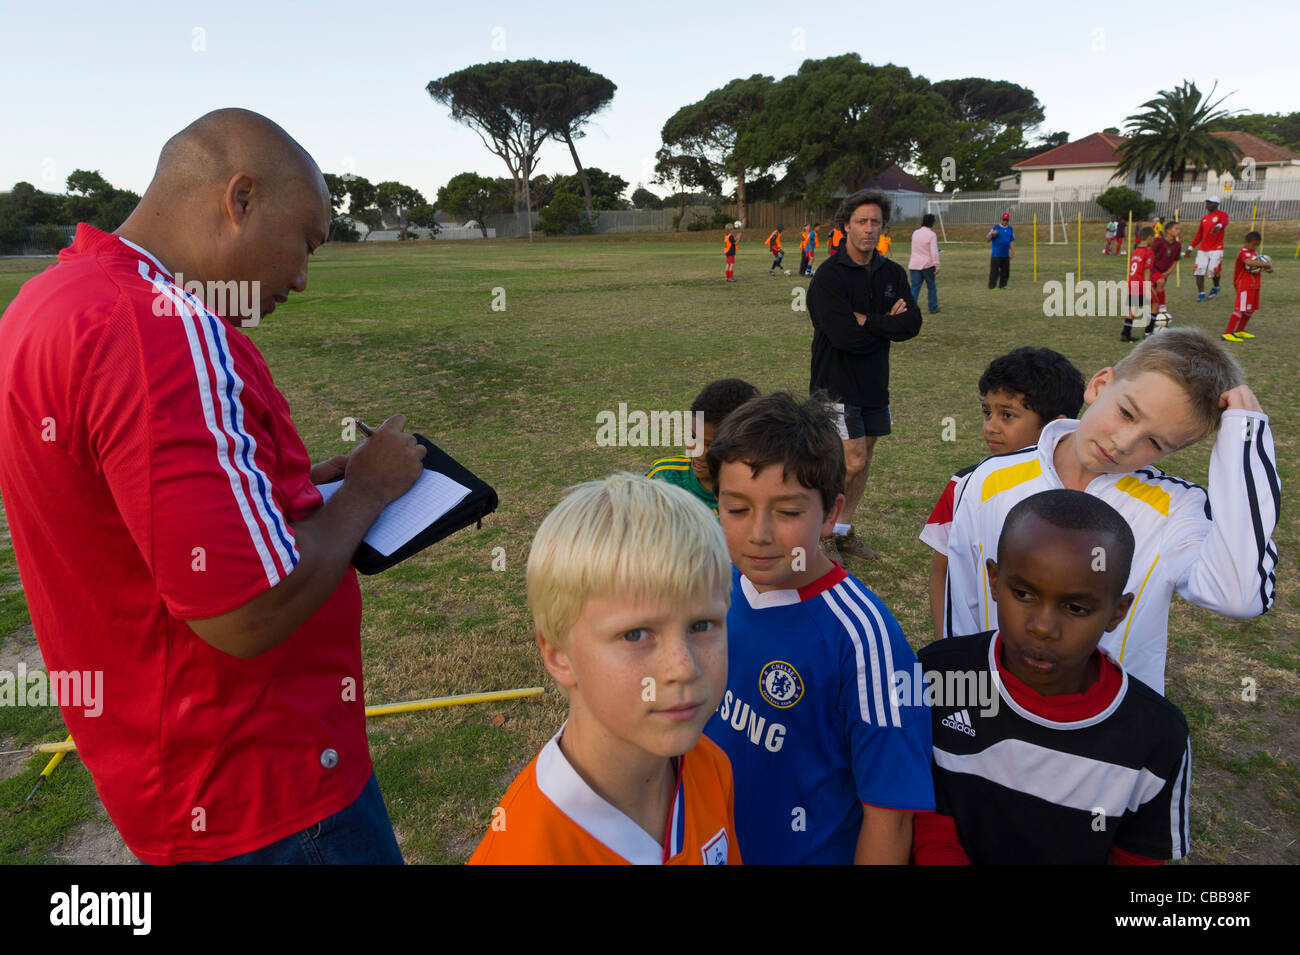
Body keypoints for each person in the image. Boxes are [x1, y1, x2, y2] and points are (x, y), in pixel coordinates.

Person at [0, 109, 428, 864]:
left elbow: (131, 510)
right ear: (240, 200)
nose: (301, 277)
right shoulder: (164, 326)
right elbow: (246, 610)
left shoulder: (50, 300)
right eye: (305, 242)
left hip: (164, 774)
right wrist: (366, 489)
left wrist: (287, 485)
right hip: (266, 793)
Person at [942, 328, 1279, 695]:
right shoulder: (989, 479)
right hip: (994, 711)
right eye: (1126, 413)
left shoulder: (1176, 510)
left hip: (1108, 736)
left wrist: (1245, 439)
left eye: (1155, 442)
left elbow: (1238, 595)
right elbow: (963, 603)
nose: (1123, 442)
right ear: (1100, 385)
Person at [703, 393, 934, 864]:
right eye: (737, 508)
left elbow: (890, 814)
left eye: (788, 512)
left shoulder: (865, 639)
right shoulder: (714, 584)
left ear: (831, 514)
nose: (759, 534)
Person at [469, 474, 740, 864]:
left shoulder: (711, 768)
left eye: (701, 626)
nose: (682, 668)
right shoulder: (525, 848)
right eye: (635, 635)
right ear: (559, 654)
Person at [914, 490, 1191, 865]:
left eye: (1076, 607)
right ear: (994, 581)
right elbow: (929, 816)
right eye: (1023, 593)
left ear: (1117, 611)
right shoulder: (942, 676)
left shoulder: (1155, 735)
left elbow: (1137, 857)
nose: (1043, 627)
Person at [921, 347, 1086, 640]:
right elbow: (942, 571)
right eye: (987, 412)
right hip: (983, 650)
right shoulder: (966, 485)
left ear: (1055, 425)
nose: (990, 427)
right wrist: (944, 645)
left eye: (1007, 415)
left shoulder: (1085, 489)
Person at [807, 189, 923, 561]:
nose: (869, 229)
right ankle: (816, 534)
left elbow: (913, 323)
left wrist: (871, 321)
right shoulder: (829, 276)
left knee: (866, 456)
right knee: (849, 460)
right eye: (861, 222)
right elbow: (844, 338)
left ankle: (842, 531)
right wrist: (887, 323)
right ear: (846, 226)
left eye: (875, 222)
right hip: (835, 386)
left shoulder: (891, 272)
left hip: (874, 383)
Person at [647, 378, 760, 513]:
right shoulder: (664, 478)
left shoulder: (759, 489)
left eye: (710, 445)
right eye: (693, 436)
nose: (694, 450)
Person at [1223, 230, 1274, 342]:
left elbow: (1258, 266)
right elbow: (1249, 263)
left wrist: (1268, 268)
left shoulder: (1255, 254)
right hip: (1244, 285)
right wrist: (1265, 264)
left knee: (1250, 309)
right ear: (1246, 242)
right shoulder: (1244, 252)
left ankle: (1240, 331)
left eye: (1257, 245)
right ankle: (1227, 333)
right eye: (1254, 244)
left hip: (1255, 285)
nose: (1255, 247)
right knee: (1241, 308)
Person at [1186, 196, 1229, 301]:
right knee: (1198, 270)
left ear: (1216, 204)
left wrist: (1218, 226)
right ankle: (1201, 293)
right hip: (1203, 249)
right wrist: (1191, 247)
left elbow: (1224, 222)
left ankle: (1216, 287)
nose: (1207, 204)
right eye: (1207, 202)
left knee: (1213, 270)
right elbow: (1199, 235)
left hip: (1217, 248)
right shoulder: (1204, 218)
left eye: (1210, 203)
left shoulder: (1222, 214)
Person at [1121, 226, 1156, 342]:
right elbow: (1147, 271)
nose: (1154, 240)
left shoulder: (1136, 251)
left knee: (1133, 308)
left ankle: (1125, 333)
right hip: (1141, 284)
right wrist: (1147, 288)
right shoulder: (1148, 252)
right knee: (1155, 305)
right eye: (1153, 238)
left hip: (1133, 283)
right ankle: (1149, 332)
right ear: (1149, 238)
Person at [908, 213, 942, 315]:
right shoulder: (931, 235)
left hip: (914, 264)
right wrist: (937, 265)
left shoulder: (915, 233)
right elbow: (934, 251)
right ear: (932, 223)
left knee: (915, 288)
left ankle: (910, 308)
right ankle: (933, 307)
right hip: (927, 265)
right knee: (931, 287)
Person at [1149, 220, 1182, 325]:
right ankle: (1162, 308)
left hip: (1164, 272)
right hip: (1154, 269)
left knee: (1155, 291)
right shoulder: (1159, 242)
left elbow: (1176, 260)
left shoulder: (1177, 245)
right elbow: (1150, 255)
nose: (1178, 231)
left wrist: (1169, 272)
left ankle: (1155, 314)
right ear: (1168, 230)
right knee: (1160, 282)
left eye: (1179, 229)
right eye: (1176, 229)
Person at [986, 212, 1015, 289]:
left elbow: (1011, 241)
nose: (1005, 221)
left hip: (1005, 254)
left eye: (1006, 220)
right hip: (996, 254)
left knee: (1005, 271)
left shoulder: (1010, 229)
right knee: (994, 271)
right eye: (1004, 219)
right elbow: (987, 240)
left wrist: (1012, 251)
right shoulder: (995, 228)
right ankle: (992, 286)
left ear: (1008, 220)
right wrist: (992, 234)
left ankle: (1003, 285)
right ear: (1001, 219)